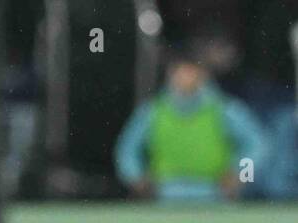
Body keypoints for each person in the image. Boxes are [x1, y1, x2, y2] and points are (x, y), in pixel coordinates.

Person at [114, 46, 266, 202]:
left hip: (214, 194)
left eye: (191, 71)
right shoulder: (153, 112)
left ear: (203, 74)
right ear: (171, 74)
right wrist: (136, 177)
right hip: (165, 195)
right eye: (180, 72)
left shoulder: (224, 109)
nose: (185, 78)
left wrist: (239, 175)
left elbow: (257, 145)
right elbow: (127, 149)